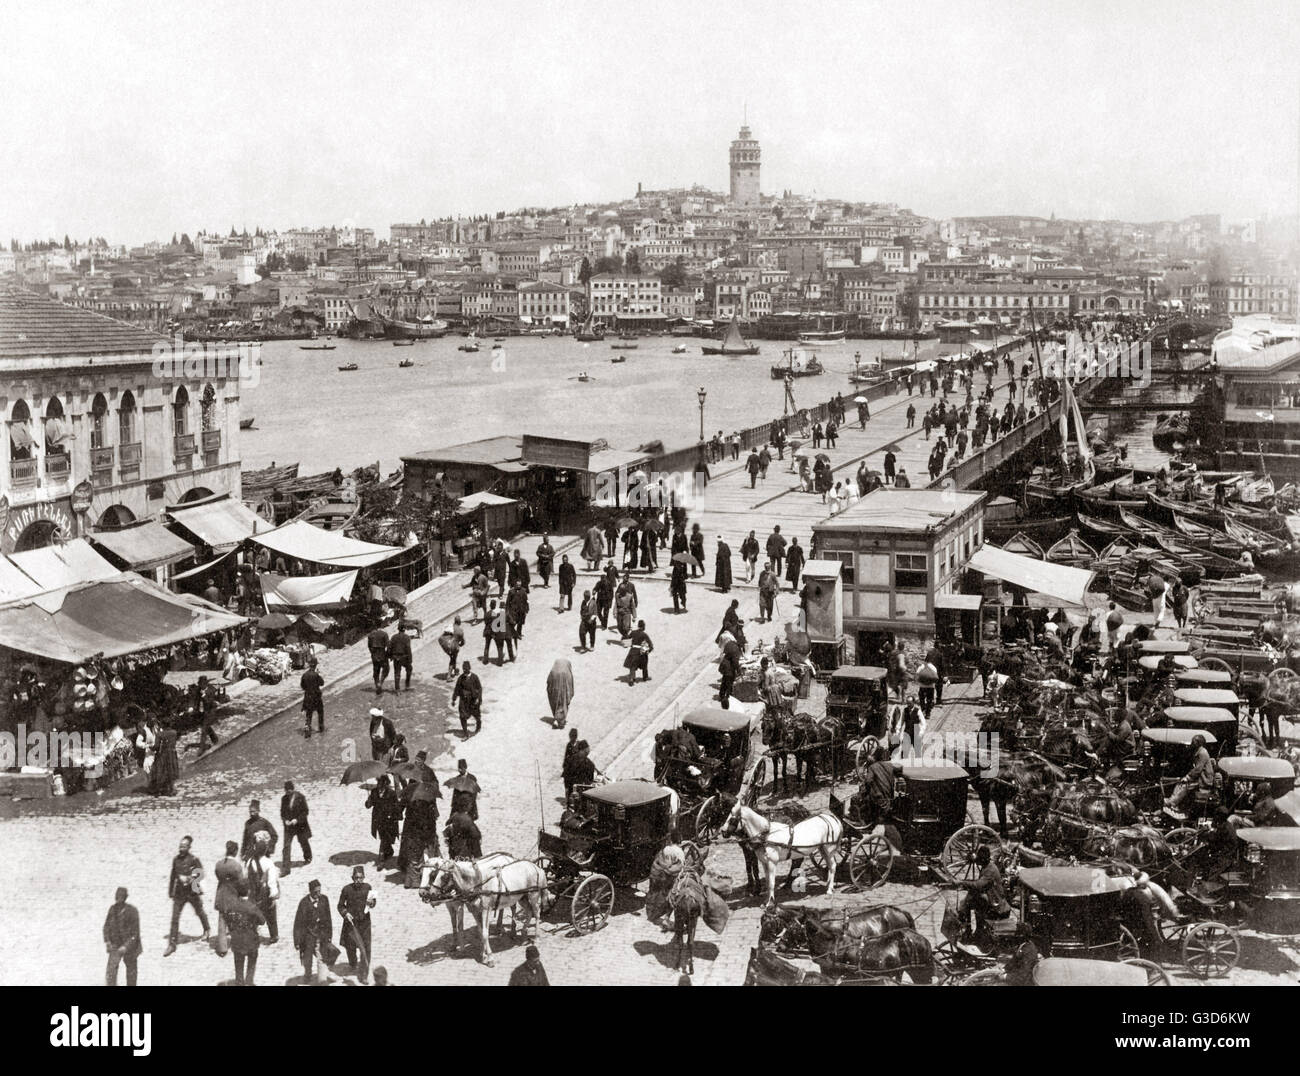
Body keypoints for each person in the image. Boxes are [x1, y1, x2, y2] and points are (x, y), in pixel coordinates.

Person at [164, 835, 210, 957]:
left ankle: (206, 929)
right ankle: (172, 943)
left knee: (199, 911)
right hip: (179, 893)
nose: (181, 848)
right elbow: (173, 876)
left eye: (184, 846)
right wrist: (170, 891)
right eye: (180, 846)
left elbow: (201, 874)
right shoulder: (176, 860)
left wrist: (190, 878)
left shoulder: (194, 860)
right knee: (174, 918)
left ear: (189, 847)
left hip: (192, 892)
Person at [958, 845, 1011, 938]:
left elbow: (978, 885)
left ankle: (970, 930)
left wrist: (962, 882)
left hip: (997, 905)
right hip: (991, 899)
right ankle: (973, 930)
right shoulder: (986, 866)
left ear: (982, 859)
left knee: (967, 902)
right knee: (969, 898)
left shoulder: (990, 870)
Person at [338, 866, 377, 984]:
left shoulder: (368, 888)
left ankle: (364, 974)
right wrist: (345, 913)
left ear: (364, 877)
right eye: (356, 878)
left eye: (360, 878)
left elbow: (373, 902)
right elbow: (340, 905)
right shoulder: (346, 889)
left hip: (365, 923)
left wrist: (372, 903)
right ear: (352, 878)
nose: (358, 880)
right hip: (351, 924)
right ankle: (353, 963)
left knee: (366, 949)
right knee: (350, 947)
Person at [293, 879, 334, 984]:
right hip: (308, 936)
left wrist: (329, 934)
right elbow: (298, 923)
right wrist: (297, 941)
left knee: (322, 957)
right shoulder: (304, 903)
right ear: (310, 891)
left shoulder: (324, 899)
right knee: (307, 960)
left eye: (320, 891)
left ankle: (322, 980)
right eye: (316, 892)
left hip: (321, 935)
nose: (318, 894)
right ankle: (307, 975)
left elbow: (328, 918)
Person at [243, 831, 280, 945]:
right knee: (271, 914)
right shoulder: (269, 863)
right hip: (265, 892)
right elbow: (272, 881)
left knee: (253, 914)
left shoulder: (250, 861)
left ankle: (253, 934)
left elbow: (245, 877)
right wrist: (274, 896)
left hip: (253, 893)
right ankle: (274, 935)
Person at [226, 883, 266, 986]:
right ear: (248, 892)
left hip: (237, 940)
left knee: (238, 964)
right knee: (252, 962)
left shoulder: (231, 906)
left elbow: (228, 921)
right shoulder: (252, 907)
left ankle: (239, 982)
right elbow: (262, 920)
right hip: (251, 940)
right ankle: (249, 981)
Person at [1167, 734, 1215, 816]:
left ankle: (1173, 803)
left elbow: (1198, 769)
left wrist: (1188, 777)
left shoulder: (1202, 753)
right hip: (1201, 778)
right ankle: (1173, 801)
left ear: (1199, 742)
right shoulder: (1198, 752)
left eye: (1194, 741)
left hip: (1205, 780)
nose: (1192, 742)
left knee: (1185, 785)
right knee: (1180, 783)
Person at [104, 887, 142, 986]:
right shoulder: (112, 909)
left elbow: (135, 934)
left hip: (131, 946)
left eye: (121, 898)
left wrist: (126, 946)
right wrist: (107, 941)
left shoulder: (133, 911)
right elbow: (106, 927)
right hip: (115, 944)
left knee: (131, 972)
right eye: (117, 898)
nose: (118, 901)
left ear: (125, 898)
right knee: (111, 971)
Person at [366, 775, 401, 863]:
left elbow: (396, 806)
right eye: (378, 782)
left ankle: (382, 857)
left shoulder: (391, 793)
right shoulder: (374, 792)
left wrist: (395, 816)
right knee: (383, 837)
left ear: (385, 783)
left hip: (388, 819)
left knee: (386, 837)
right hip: (378, 819)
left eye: (381, 782)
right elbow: (368, 806)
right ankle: (387, 852)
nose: (378, 784)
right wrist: (369, 801)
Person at [280, 780, 312, 874]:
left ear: (293, 790)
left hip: (300, 825)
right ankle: (286, 867)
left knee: (303, 841)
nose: (288, 793)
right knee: (286, 846)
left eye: (289, 791)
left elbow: (305, 811)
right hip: (289, 827)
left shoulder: (300, 797)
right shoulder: (284, 799)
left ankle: (308, 856)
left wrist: (296, 820)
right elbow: (282, 812)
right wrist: (285, 820)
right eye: (286, 791)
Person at [452, 661, 482, 736]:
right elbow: (457, 688)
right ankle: (466, 733)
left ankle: (478, 724)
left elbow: (479, 688)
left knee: (476, 715)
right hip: (463, 700)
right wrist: (454, 699)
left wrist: (478, 698)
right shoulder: (461, 678)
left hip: (473, 700)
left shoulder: (474, 677)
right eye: (464, 669)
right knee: (462, 716)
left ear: (469, 668)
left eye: (466, 669)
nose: (465, 671)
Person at [150, 722, 180, 796]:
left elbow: (156, 747)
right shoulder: (174, 732)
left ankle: (160, 790)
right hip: (172, 753)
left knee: (162, 770)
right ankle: (171, 789)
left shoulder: (159, 734)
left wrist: (150, 747)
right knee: (171, 769)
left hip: (163, 754)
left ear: (162, 725)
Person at [299, 657, 325, 737]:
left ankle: (307, 727)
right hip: (316, 697)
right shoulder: (316, 675)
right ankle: (321, 727)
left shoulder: (305, 675)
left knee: (309, 714)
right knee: (320, 711)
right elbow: (322, 683)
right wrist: (318, 674)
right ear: (315, 665)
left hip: (308, 697)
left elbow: (302, 686)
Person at [547, 658, 575, 729]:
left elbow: (548, 682)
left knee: (556, 705)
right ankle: (561, 721)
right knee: (563, 705)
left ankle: (558, 719)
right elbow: (571, 685)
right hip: (565, 693)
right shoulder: (567, 672)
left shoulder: (553, 671)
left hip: (555, 693)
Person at [626, 620, 653, 685]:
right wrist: (649, 650)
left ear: (638, 626)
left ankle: (631, 679)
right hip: (641, 652)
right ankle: (645, 677)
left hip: (633, 651)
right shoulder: (644, 634)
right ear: (643, 626)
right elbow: (650, 644)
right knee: (644, 664)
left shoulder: (633, 632)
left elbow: (626, 638)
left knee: (632, 665)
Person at [615, 574, 638, 639]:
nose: (624, 580)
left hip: (627, 608)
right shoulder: (620, 586)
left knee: (626, 626)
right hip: (620, 609)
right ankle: (626, 635)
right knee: (619, 627)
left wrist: (636, 602)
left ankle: (627, 636)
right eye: (623, 579)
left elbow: (634, 594)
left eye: (625, 579)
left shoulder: (631, 585)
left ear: (628, 579)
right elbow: (616, 595)